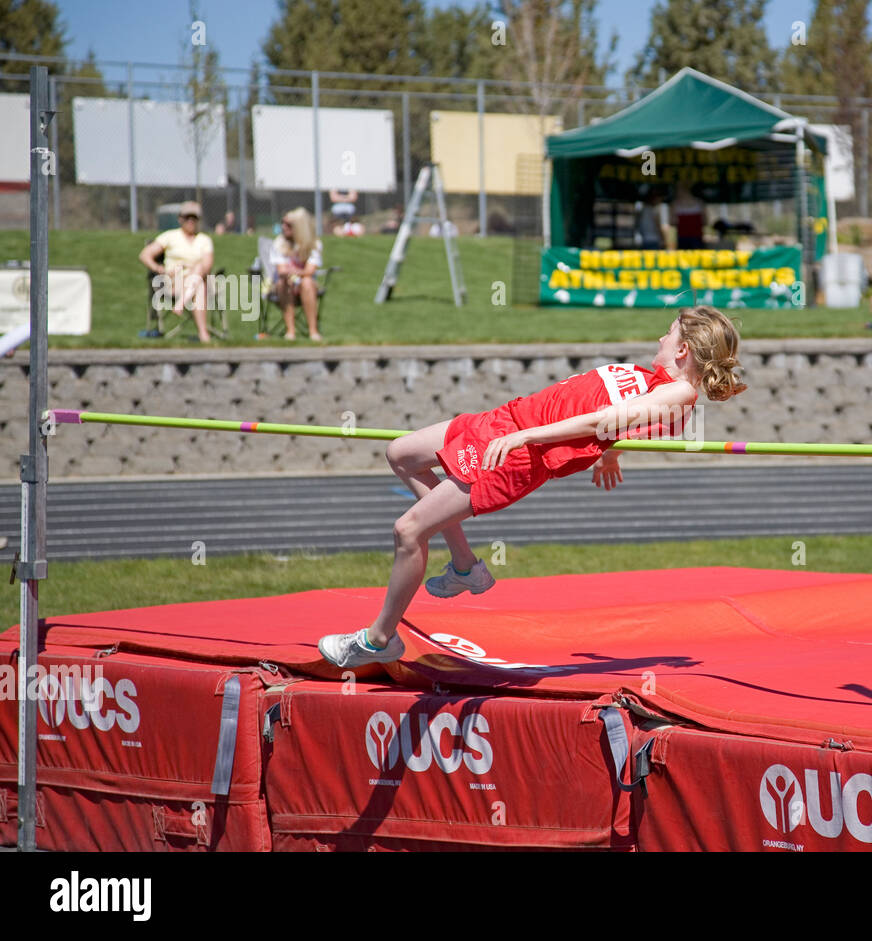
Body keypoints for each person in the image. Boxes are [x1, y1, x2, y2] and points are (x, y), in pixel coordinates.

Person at [315, 306, 747, 668]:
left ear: (684, 349)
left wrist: (528, 437)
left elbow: (603, 421)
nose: (660, 337)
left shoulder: (679, 394)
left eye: (668, 334)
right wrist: (609, 452)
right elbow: (620, 421)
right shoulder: (653, 380)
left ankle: (379, 639)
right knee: (400, 455)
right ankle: (466, 567)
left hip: (520, 451)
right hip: (510, 420)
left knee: (408, 531)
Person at [138, 200, 215, 343]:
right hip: (173, 283)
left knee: (198, 272)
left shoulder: (204, 240)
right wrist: (158, 268)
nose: (191, 221)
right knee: (199, 285)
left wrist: (192, 270)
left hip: (198, 281)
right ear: (180, 219)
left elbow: (207, 265)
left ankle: (181, 304)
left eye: (194, 218)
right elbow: (144, 255)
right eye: (187, 218)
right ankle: (204, 335)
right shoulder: (170, 236)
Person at [271, 207, 324, 341]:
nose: (284, 227)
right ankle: (290, 332)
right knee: (285, 282)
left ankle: (313, 331)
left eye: (288, 225)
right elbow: (281, 271)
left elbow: (310, 271)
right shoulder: (279, 243)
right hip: (283, 286)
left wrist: (296, 273)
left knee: (306, 282)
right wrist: (296, 273)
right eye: (282, 223)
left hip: (306, 287)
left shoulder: (314, 244)